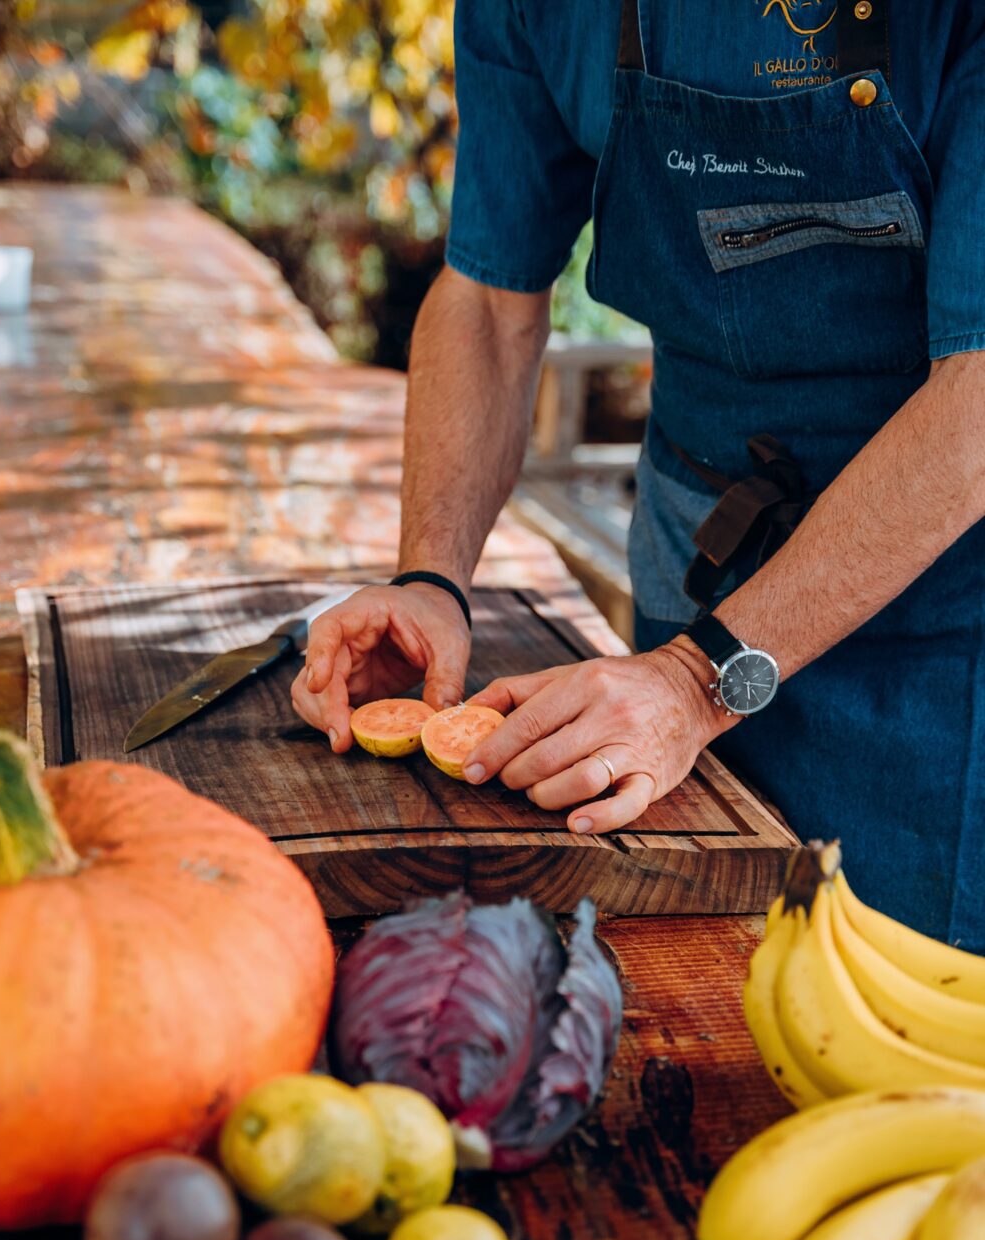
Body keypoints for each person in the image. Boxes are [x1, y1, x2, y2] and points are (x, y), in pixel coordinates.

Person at [292, 1, 985, 950]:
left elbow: (977, 398)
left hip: (941, 626)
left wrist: (701, 679)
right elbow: (491, 298)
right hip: (698, 553)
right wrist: (430, 580)